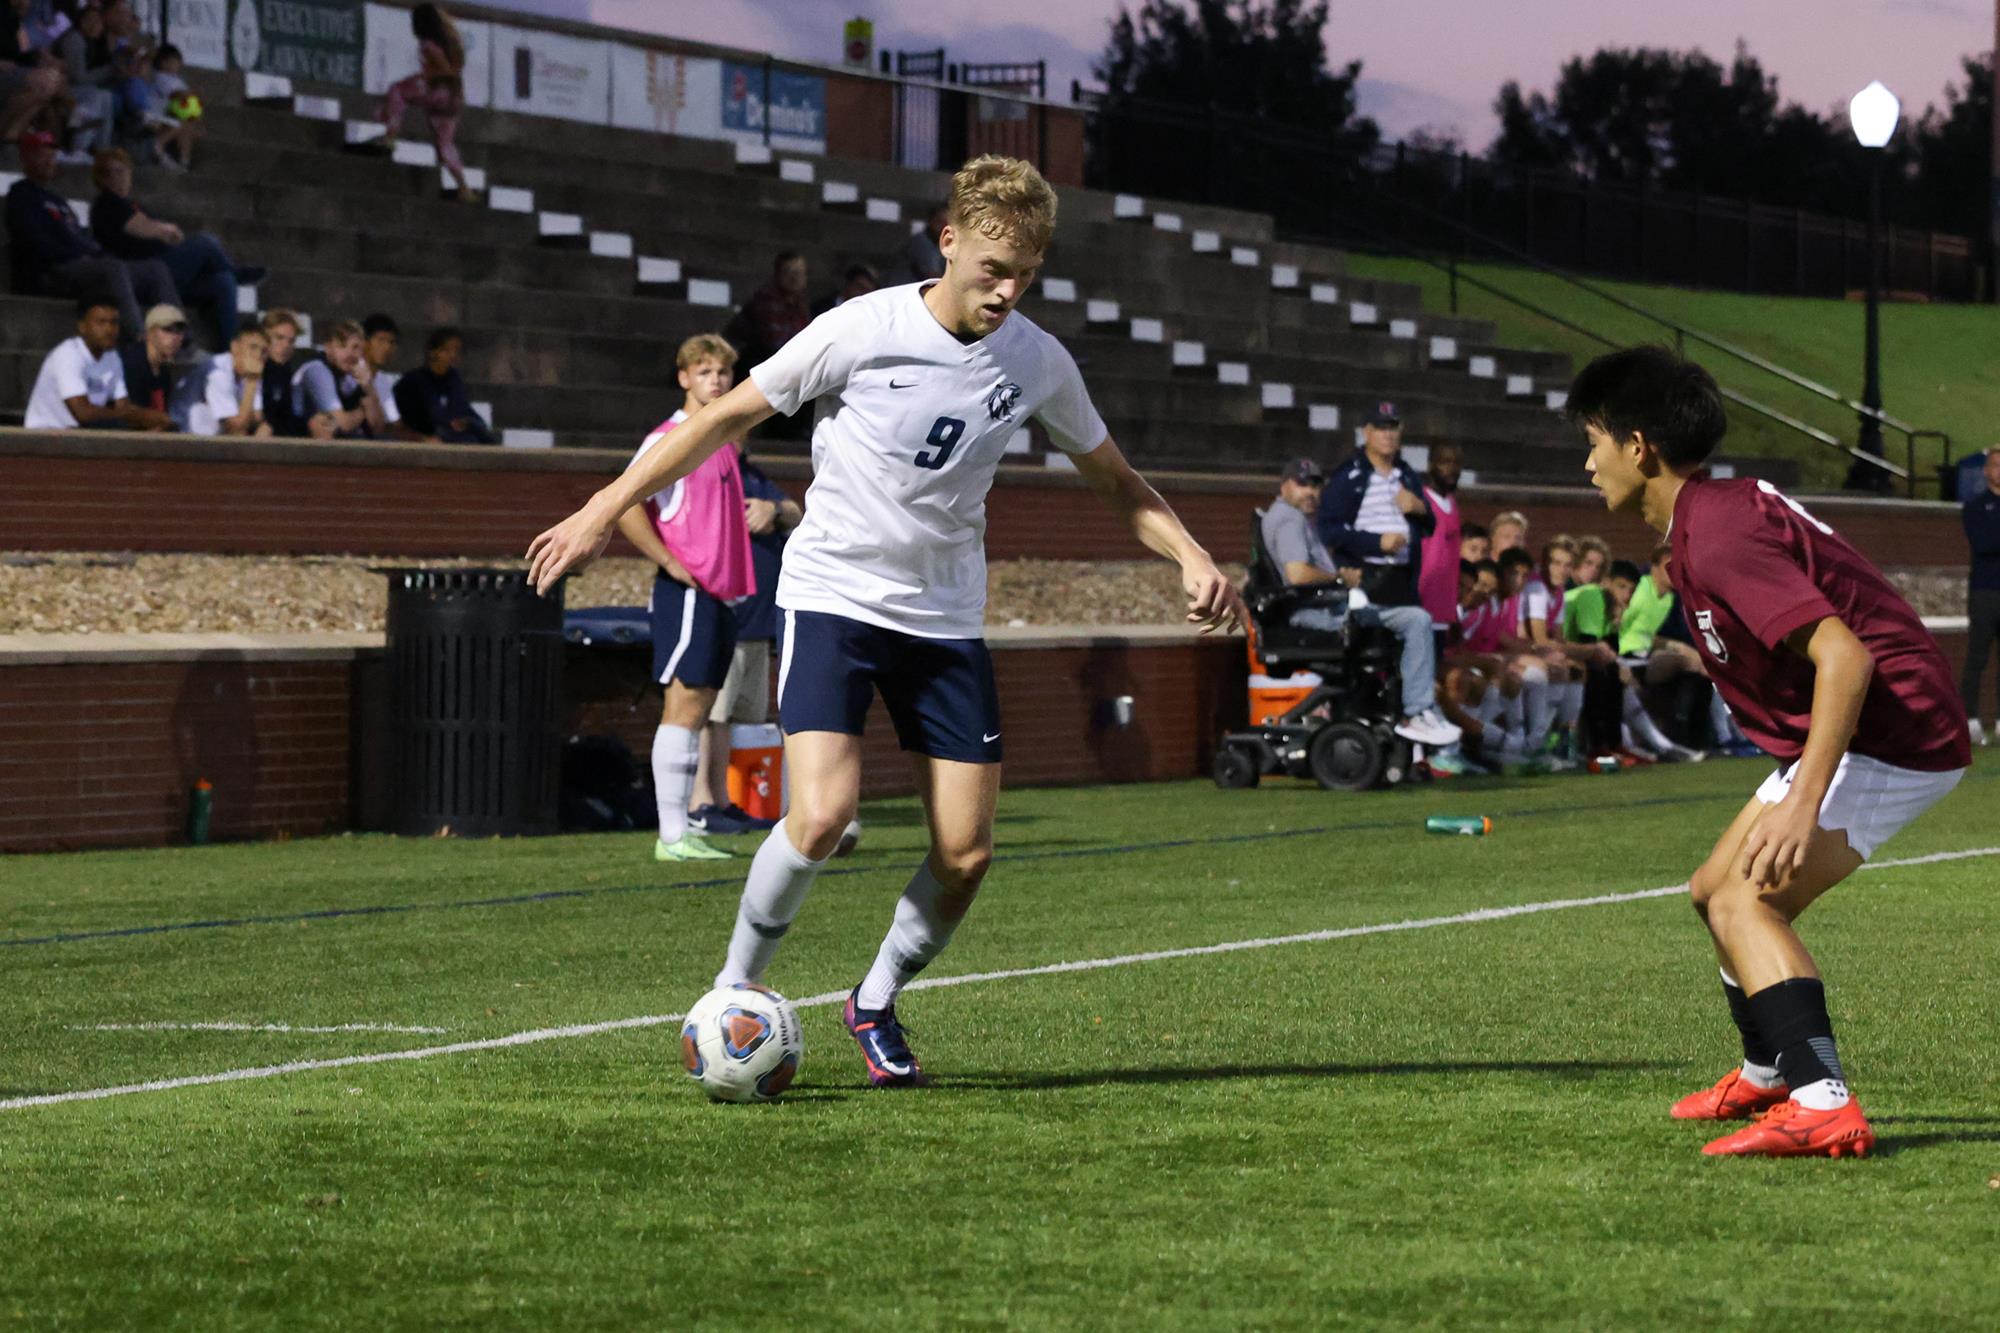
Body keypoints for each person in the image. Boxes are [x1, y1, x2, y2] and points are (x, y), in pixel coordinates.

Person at [525, 154, 1244, 1088]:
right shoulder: (862, 329)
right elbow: (717, 422)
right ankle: (731, 992)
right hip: (834, 598)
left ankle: (873, 997)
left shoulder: (1037, 360)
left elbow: (1114, 479)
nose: (1007, 290)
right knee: (821, 813)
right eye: (993, 268)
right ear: (949, 242)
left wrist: (1191, 554)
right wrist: (598, 510)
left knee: (967, 851)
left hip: (944, 619)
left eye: (1025, 273)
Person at [1571, 343, 1969, 1158]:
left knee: (1748, 902)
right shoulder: (1703, 521)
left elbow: (1846, 657)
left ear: (1639, 446)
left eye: (1594, 441)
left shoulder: (1715, 534)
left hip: (1895, 728)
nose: (1587, 462)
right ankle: (1768, 1070)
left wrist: (1804, 799)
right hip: (1861, 720)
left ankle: (1823, 1100)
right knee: (1710, 887)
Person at [617, 334, 760, 863]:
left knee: (698, 709)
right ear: (683, 378)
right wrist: (670, 561)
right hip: (690, 591)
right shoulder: (667, 438)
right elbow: (626, 500)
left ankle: (683, 829)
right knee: (682, 708)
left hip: (721, 593)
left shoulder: (723, 440)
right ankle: (672, 834)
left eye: (723, 372)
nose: (716, 381)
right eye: (704, 372)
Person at [1265, 455, 1462, 749]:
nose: (1311, 492)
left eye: (1316, 486)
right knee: (1415, 620)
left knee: (1409, 619)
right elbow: (1297, 574)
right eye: (1302, 484)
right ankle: (1417, 712)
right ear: (1284, 486)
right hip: (1315, 615)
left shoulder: (1292, 518)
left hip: (1320, 609)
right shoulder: (1288, 519)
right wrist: (1340, 580)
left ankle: (1408, 712)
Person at [689, 436, 801, 836]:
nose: (741, 436)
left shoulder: (750, 475)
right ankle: (703, 801)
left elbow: (797, 511)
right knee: (713, 717)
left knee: (740, 718)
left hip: (757, 623)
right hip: (727, 614)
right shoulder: (708, 474)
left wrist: (772, 509)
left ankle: (727, 800)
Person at [6, 128, 174, 341]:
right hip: (50, 272)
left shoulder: (59, 201)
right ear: (26, 158)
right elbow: (32, 240)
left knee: (154, 269)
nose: (49, 161)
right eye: (42, 155)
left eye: (52, 155)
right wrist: (76, 256)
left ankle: (180, 341)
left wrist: (95, 253)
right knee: (112, 268)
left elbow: (80, 236)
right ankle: (139, 336)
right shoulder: (21, 196)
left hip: (80, 267)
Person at [90, 147, 264, 346]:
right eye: (108, 173)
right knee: (204, 242)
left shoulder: (130, 204)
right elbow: (139, 227)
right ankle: (236, 272)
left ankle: (231, 348)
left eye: (120, 171)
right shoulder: (107, 203)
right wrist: (165, 230)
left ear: (130, 172)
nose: (115, 177)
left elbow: (158, 231)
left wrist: (167, 234)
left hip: (167, 275)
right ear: (100, 178)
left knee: (223, 281)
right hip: (145, 274)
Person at [23, 296, 171, 430]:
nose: (109, 329)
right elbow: (83, 413)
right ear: (82, 327)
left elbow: (123, 407)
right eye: (101, 322)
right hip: (46, 433)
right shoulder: (67, 355)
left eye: (114, 323)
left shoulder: (112, 357)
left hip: (83, 435)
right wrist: (137, 415)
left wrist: (154, 420)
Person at [378, 2, 473, 201]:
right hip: (452, 99)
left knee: (397, 91)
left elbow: (447, 70)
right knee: (444, 145)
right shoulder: (449, 42)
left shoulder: (428, 44)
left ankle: (390, 137)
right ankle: (464, 187)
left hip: (437, 91)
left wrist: (428, 75)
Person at [724, 251, 811, 438]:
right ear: (778, 274)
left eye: (800, 273)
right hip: (751, 363)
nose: (795, 278)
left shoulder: (800, 304)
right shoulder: (766, 300)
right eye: (790, 272)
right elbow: (774, 342)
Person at [392, 325, 494, 443]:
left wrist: (466, 422)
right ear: (433, 352)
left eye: (456, 350)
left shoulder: (454, 379)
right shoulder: (413, 381)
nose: (453, 355)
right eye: (446, 350)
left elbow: (460, 408)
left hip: (454, 433)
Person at [1961, 446, 2000, 747]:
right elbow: (1984, 543)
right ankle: (1970, 719)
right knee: (1977, 656)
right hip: (1985, 591)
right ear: (1986, 470)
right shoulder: (1975, 507)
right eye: (1995, 465)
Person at [292, 319, 388, 440]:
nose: (350, 353)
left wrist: (369, 388)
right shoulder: (316, 369)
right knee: (321, 423)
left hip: (334, 440)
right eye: (342, 346)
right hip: (292, 436)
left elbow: (377, 427)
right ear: (328, 348)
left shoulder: (352, 373)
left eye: (356, 347)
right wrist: (364, 411)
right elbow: (343, 423)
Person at [178, 324, 272, 436]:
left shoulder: (250, 372)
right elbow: (237, 425)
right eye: (253, 347)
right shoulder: (218, 372)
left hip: (214, 437)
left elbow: (257, 416)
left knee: (265, 429)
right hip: (183, 435)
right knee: (239, 432)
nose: (258, 355)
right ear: (235, 347)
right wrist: (251, 382)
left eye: (264, 351)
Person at [1416, 441, 1464, 639]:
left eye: (1456, 463)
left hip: (1443, 613)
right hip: (1420, 610)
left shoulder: (1453, 504)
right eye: (1445, 462)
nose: (1451, 469)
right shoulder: (1420, 501)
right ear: (1430, 465)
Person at [1, 0, 63, 144]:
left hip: (16, 71)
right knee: (45, 82)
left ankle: (11, 136)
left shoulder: (15, 17)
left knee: (53, 81)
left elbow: (23, 51)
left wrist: (46, 60)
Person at [360, 312, 428, 441]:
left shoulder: (383, 380)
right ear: (365, 342)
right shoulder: (352, 373)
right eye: (380, 340)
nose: (386, 347)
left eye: (391, 342)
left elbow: (395, 423)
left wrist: (422, 438)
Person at [118, 301, 184, 418]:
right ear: (150, 332)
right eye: (167, 329)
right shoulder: (132, 363)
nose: (175, 337)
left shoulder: (163, 371)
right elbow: (130, 414)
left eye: (179, 330)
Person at [258, 308, 312, 438]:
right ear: (264, 337)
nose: (286, 346)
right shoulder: (253, 369)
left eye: (291, 341)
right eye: (279, 338)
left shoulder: (287, 371)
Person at [882, 203, 947, 286]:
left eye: (946, 224)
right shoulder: (921, 242)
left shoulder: (938, 244)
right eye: (939, 222)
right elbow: (933, 276)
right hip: (900, 289)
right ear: (930, 221)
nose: (942, 227)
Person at [812, 262, 878, 317]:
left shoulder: (872, 314)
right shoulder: (821, 308)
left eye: (869, 291)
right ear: (848, 285)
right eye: (860, 287)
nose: (864, 293)